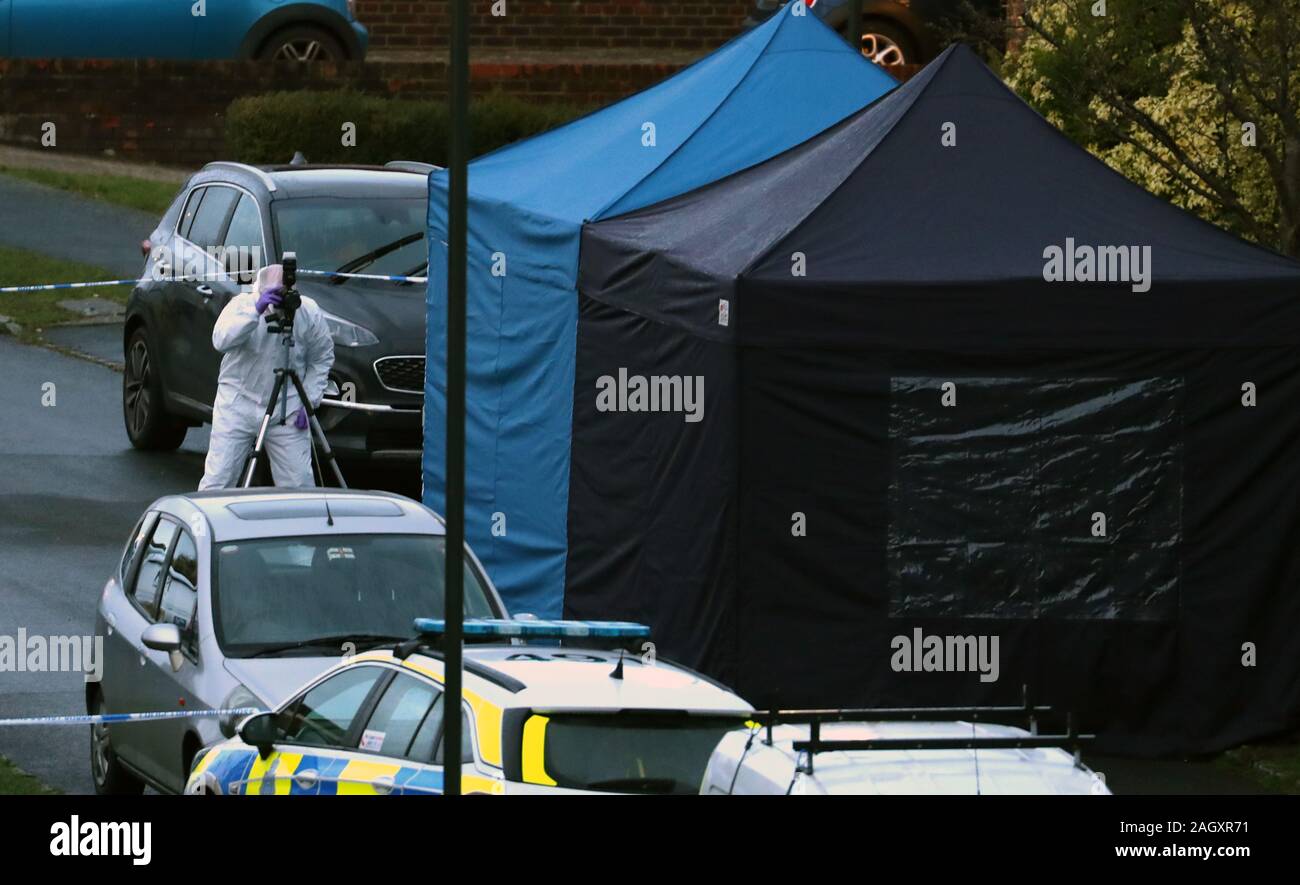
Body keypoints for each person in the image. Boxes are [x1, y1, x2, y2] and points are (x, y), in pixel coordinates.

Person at [198, 263, 335, 490]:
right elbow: (220, 340)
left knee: (298, 483)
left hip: (287, 405)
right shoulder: (242, 305)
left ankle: (301, 525)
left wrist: (308, 400)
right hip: (237, 403)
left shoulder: (307, 312)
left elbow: (322, 357)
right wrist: (256, 311)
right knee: (219, 479)